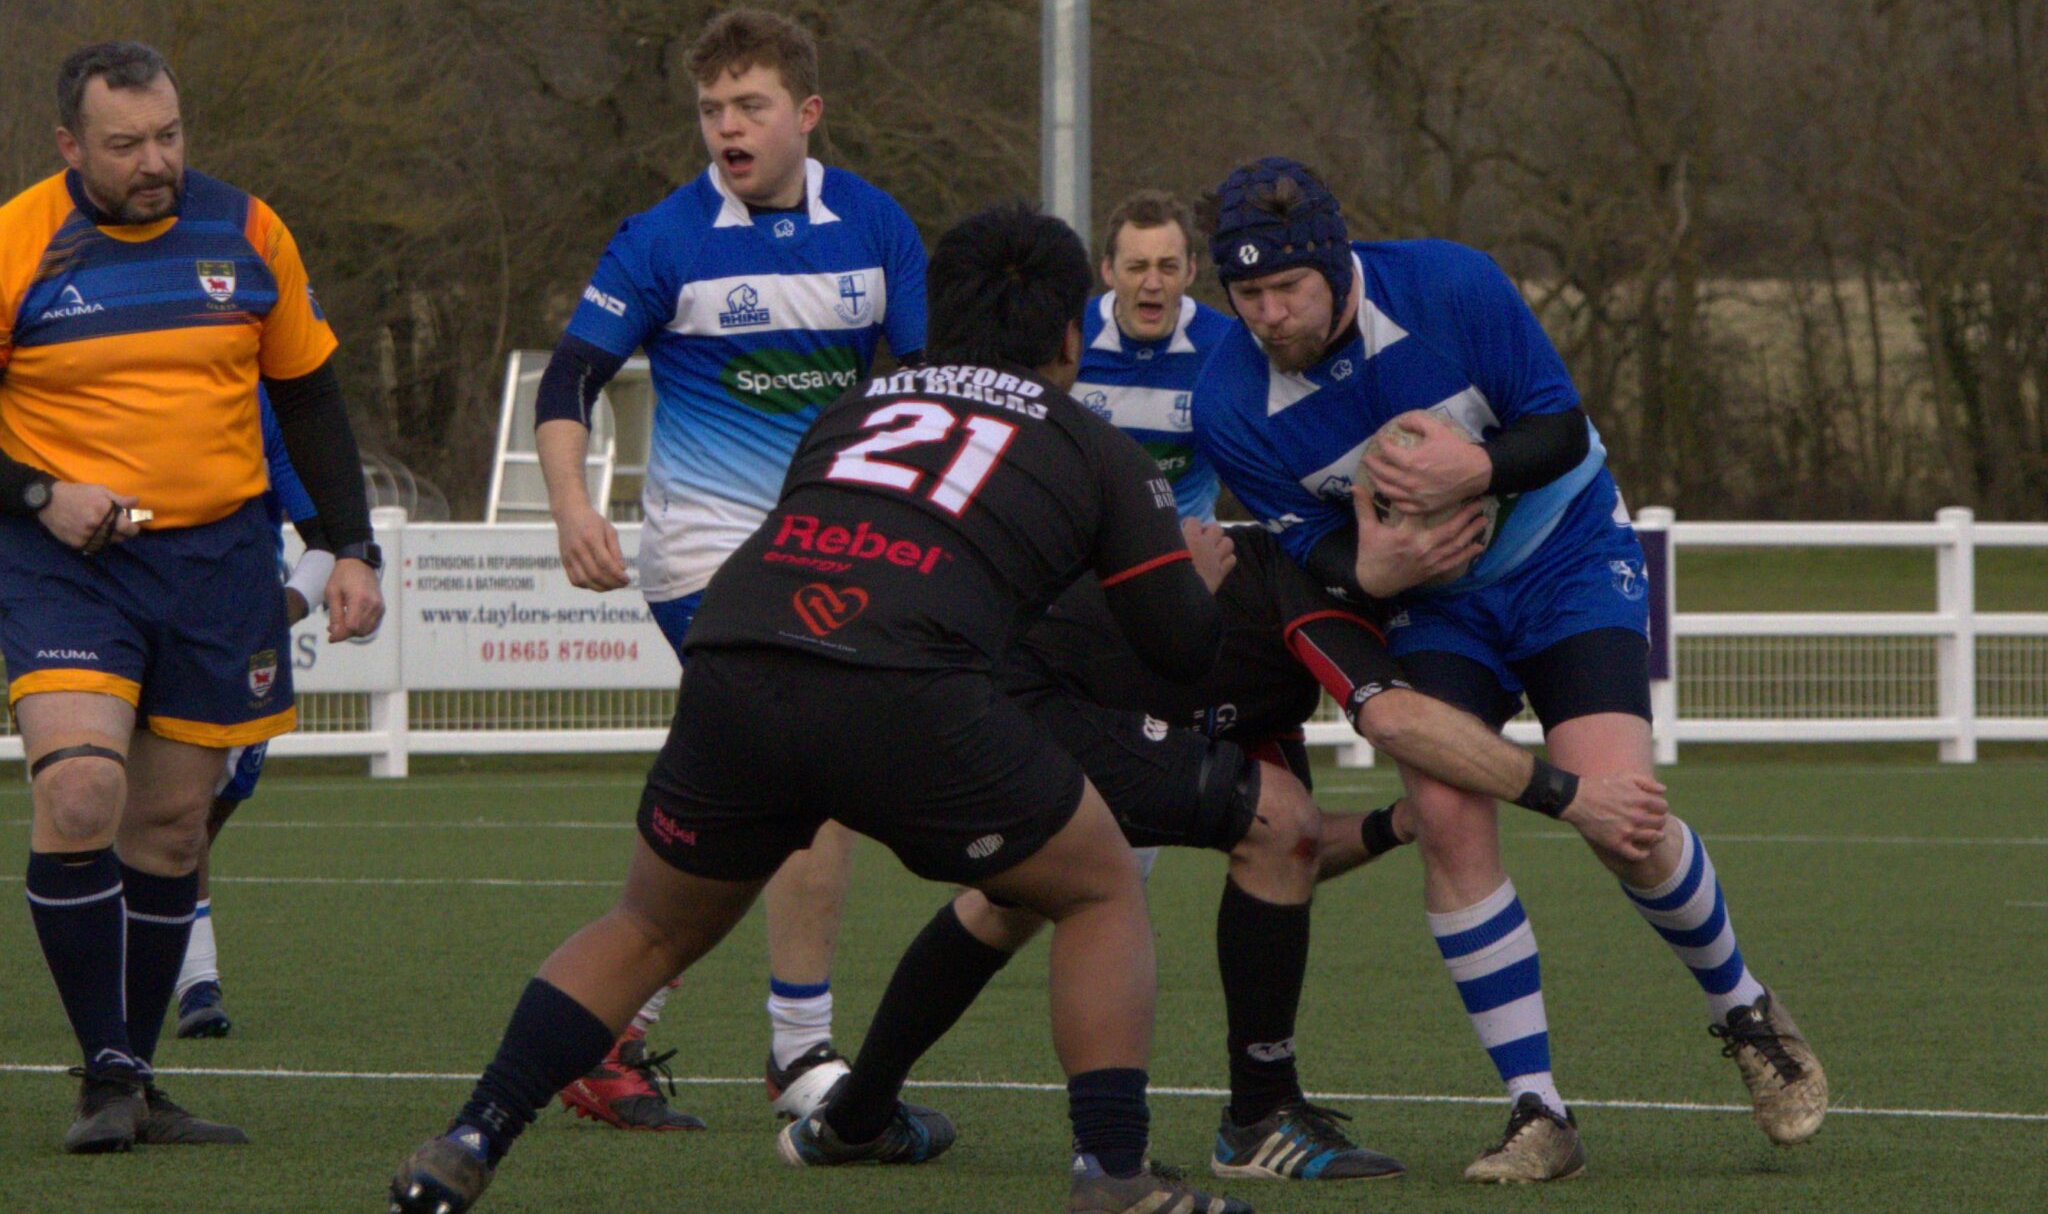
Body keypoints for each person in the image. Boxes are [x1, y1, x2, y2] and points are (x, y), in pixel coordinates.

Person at [390, 205, 1256, 1214]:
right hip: (900, 683)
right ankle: (1113, 1175)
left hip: (738, 652)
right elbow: (1180, 652)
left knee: (648, 925)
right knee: (1100, 885)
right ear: (1071, 331)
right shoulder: (1092, 442)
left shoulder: (853, 408)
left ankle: (469, 1134)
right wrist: (1187, 574)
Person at [1188, 157, 1828, 1182]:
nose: (1266, 314)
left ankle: (1740, 1006)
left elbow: (1555, 424)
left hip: (1566, 555)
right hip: (1433, 606)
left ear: (1336, 263)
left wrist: (1473, 468)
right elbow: (1309, 545)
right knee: (1445, 813)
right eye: (1244, 294)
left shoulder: (1448, 283)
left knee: (1622, 813)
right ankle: (1538, 1110)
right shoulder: (1225, 400)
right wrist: (1370, 567)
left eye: (1285, 289)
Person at [780, 522, 1666, 1182]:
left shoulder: (1276, 671)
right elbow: (1393, 718)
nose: (1440, 540)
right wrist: (1571, 795)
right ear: (1358, 506)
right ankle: (1258, 1120)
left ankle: (856, 1118)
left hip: (992, 705)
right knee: (1260, 825)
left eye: (1463, 524)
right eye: (1412, 517)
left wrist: (1402, 823)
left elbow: (1301, 851)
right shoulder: (1303, 579)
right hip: (1005, 697)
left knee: (1019, 894)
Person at [534, 8, 926, 1128]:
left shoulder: (876, 224)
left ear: (805, 114)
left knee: (773, 794)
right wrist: (575, 504)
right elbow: (566, 385)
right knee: (816, 773)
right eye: (710, 109)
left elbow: (929, 380)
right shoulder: (663, 238)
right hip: (703, 554)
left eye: (749, 106)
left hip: (835, 549)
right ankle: (798, 1053)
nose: (726, 128)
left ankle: (607, 1031)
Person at [0, 41, 385, 1154]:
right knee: (80, 794)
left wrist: (348, 544)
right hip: (62, 559)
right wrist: (38, 492)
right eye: (125, 144)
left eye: (169, 135)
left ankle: (128, 1076)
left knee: (169, 830)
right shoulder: (20, 240)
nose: (155, 160)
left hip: (218, 564)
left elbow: (308, 393)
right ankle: (107, 1068)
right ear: (71, 144)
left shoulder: (249, 230)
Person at [174, 388, 338, 1038]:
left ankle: (168, 950)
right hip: (138, 631)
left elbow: (328, 538)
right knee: (166, 816)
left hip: (244, 649)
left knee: (197, 822)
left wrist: (280, 610)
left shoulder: (270, 408)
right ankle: (196, 983)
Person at [1070, 190, 1232, 518]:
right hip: (1089, 545)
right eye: (1137, 266)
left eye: (1168, 267)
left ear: (1190, 272)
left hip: (1183, 546)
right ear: (1108, 271)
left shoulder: (1226, 346)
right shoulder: (1068, 337)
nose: (1153, 282)